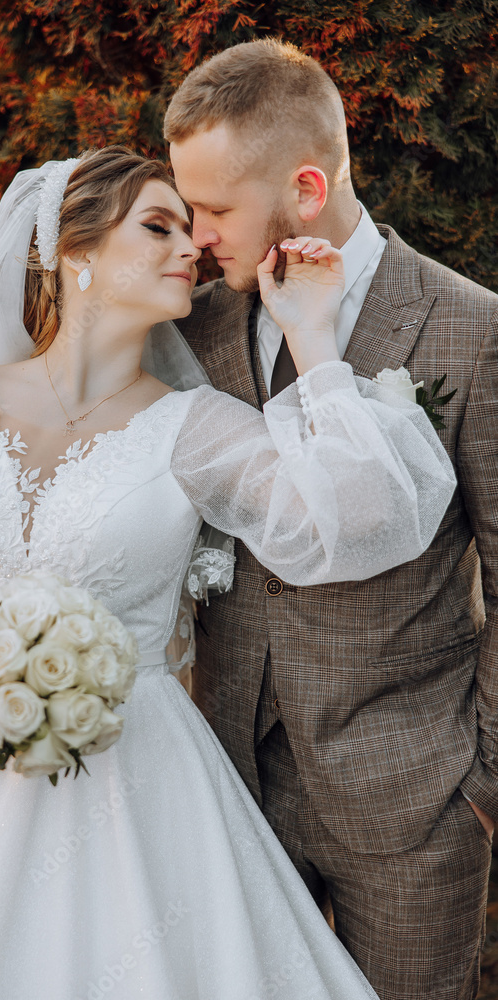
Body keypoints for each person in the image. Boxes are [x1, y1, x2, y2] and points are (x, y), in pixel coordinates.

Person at [0, 146, 455, 999]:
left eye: (190, 229)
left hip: (141, 781)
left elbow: (364, 522)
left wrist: (314, 340)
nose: (190, 248)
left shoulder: (196, 427)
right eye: (156, 226)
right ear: (74, 254)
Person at [164, 37, 498, 1000]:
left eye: (215, 208)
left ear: (306, 189)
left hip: (415, 801)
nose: (195, 234)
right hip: (227, 785)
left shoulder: (470, 330)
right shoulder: (194, 321)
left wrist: (478, 790)